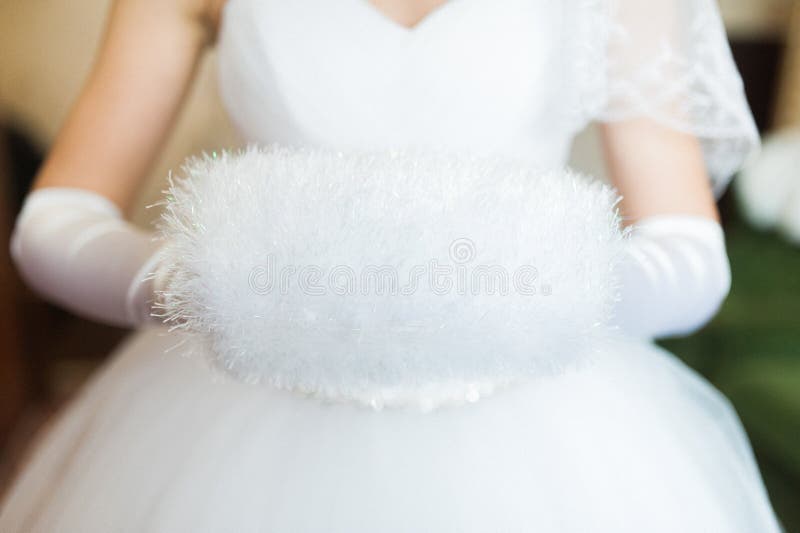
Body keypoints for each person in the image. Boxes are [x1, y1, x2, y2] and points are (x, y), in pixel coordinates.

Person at [0, 0, 784, 531]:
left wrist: (523, 290)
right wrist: (206, 282)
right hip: (244, 420)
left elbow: (690, 257)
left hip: (542, 435)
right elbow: (52, 223)